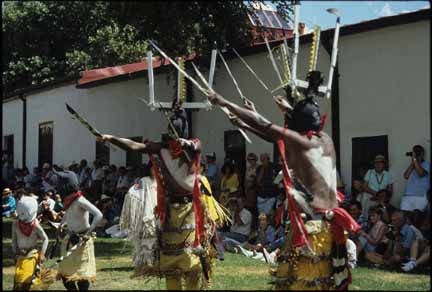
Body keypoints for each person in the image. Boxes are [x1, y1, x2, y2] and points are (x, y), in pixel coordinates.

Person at [206, 71, 360, 290]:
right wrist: (281, 111)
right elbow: (275, 131)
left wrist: (224, 102)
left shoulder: (302, 142)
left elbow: (265, 126)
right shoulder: (325, 140)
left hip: (314, 228)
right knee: (322, 283)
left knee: (304, 284)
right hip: (327, 226)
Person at [98, 101, 218, 290]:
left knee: (192, 264)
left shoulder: (193, 146)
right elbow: (134, 147)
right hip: (170, 211)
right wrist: (111, 138)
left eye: (175, 132)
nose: (172, 138)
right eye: (170, 133)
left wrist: (184, 143)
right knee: (171, 265)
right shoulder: (160, 148)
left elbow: (195, 146)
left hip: (191, 210)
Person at [56, 170, 103, 291]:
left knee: (82, 276)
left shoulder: (80, 200)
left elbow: (98, 214)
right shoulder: (69, 200)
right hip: (70, 239)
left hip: (82, 241)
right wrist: (61, 225)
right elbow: (68, 214)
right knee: (66, 275)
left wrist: (87, 233)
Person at [12, 196, 50, 290]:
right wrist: (15, 252)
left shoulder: (35, 225)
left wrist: (42, 254)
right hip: (20, 256)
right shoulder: (15, 224)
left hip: (32, 254)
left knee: (26, 279)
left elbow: (45, 239)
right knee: (18, 278)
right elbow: (14, 240)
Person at [401, 145, 430, 212]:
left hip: (421, 196)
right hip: (408, 195)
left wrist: (415, 159)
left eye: (417, 152)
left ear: (422, 153)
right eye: (414, 151)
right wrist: (413, 162)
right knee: (404, 216)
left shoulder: (427, 164)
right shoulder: (413, 164)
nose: (415, 153)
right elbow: (406, 176)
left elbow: (421, 174)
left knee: (418, 218)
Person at [244, 152, 258, 230]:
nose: (250, 161)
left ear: (255, 160)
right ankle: (250, 225)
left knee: (254, 208)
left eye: (252, 159)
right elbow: (246, 180)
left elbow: (256, 180)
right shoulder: (248, 168)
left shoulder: (257, 168)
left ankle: (255, 226)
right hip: (248, 190)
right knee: (249, 207)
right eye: (249, 160)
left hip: (254, 190)